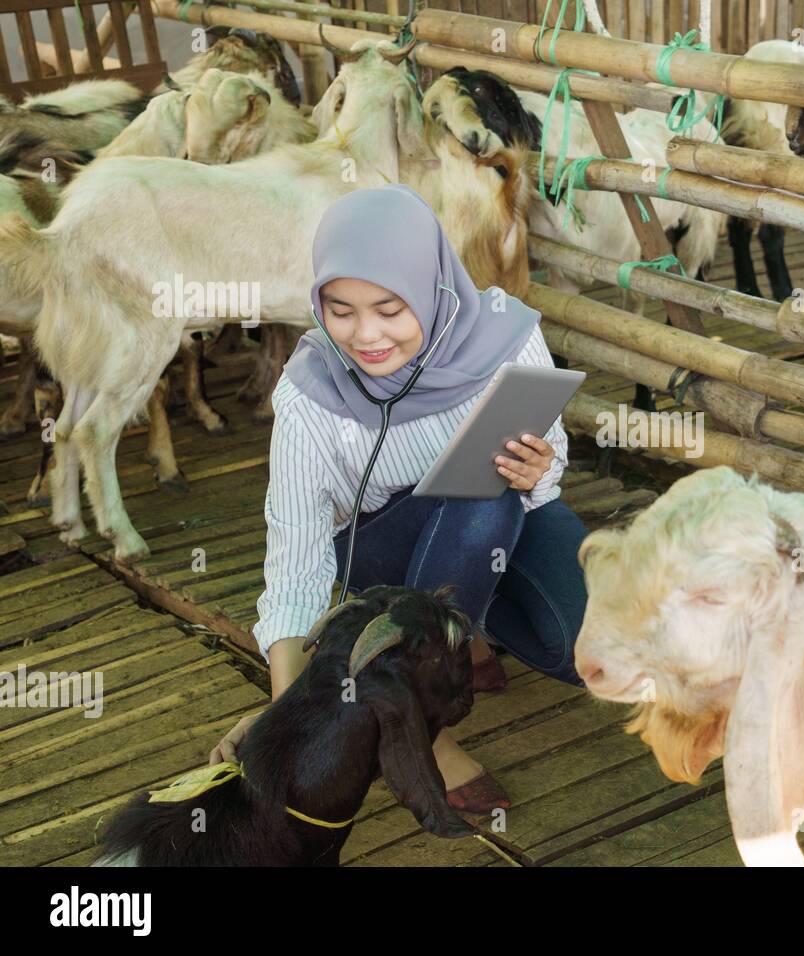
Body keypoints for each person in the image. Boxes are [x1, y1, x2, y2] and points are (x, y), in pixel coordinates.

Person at [209, 184, 589, 812]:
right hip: (386, 556)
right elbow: (297, 561)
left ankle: (468, 623)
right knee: (481, 501)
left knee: (581, 646)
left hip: (506, 529)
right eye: (340, 309)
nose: (366, 336)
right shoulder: (309, 397)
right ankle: (418, 729)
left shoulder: (504, 333)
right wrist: (289, 715)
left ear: (432, 286)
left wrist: (537, 471)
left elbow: (546, 477)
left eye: (389, 308)